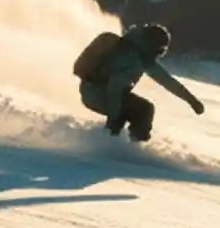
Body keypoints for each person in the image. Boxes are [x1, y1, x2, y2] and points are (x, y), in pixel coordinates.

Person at [77, 23, 205, 142]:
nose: (159, 54)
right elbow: (115, 88)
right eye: (160, 50)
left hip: (91, 90)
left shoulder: (135, 51)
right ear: (153, 44)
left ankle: (111, 141)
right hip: (97, 95)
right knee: (143, 109)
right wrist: (113, 117)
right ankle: (125, 145)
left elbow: (168, 82)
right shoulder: (133, 58)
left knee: (129, 109)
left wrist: (191, 100)